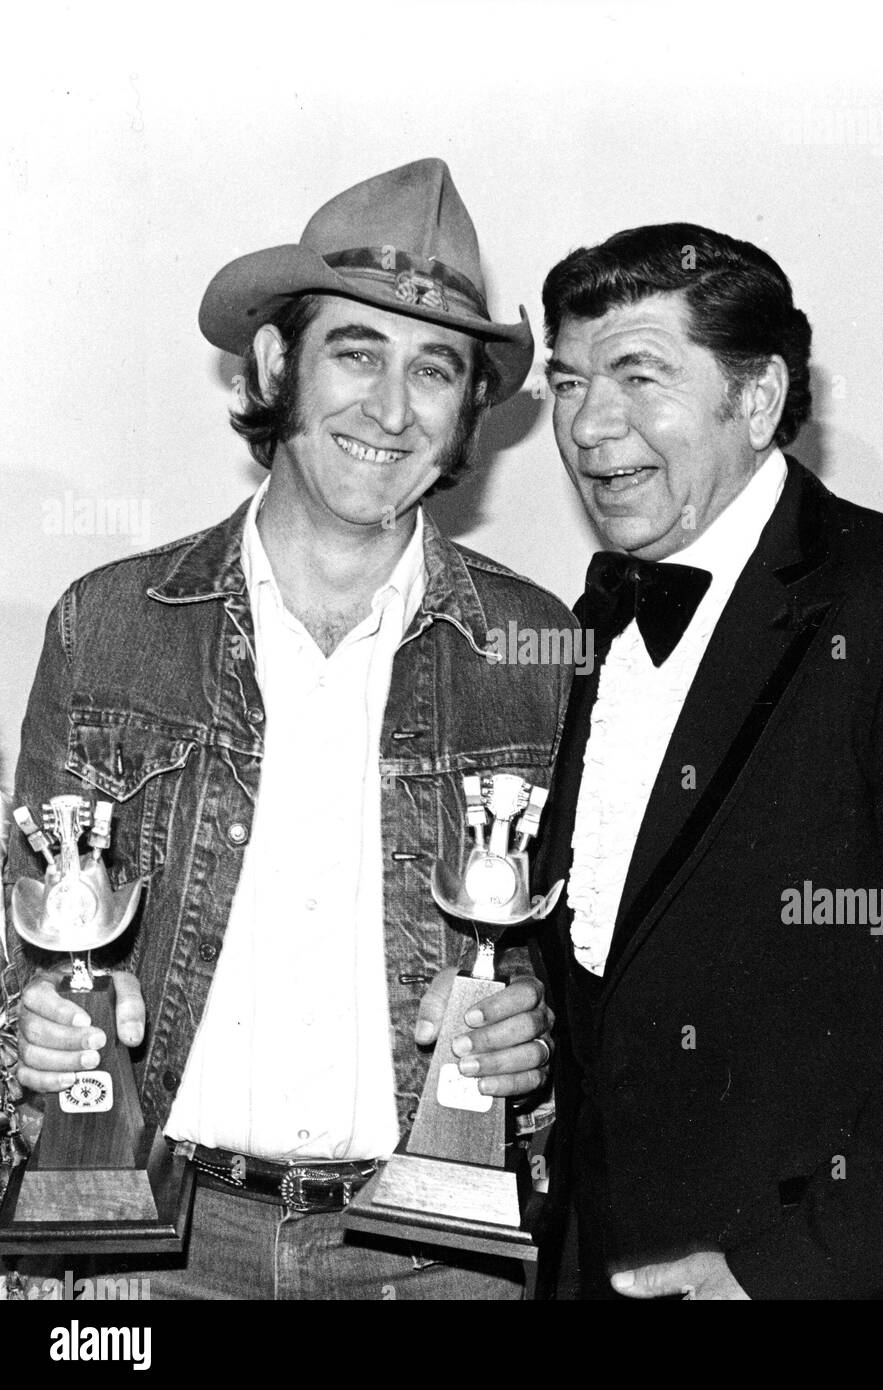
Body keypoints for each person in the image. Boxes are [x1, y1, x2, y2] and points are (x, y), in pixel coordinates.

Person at [4, 158, 570, 1300]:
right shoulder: (108, 623)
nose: (391, 410)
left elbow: (572, 973)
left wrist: (537, 1051)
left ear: (467, 411)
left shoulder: (537, 648)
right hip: (152, 1241)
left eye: (435, 370)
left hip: (438, 1259)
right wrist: (31, 1045)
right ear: (275, 362)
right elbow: (25, 933)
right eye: (355, 353)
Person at [533, 222, 883, 1300]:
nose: (589, 424)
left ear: (758, 396)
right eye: (565, 381)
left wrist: (784, 1278)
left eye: (639, 373)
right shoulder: (587, 630)